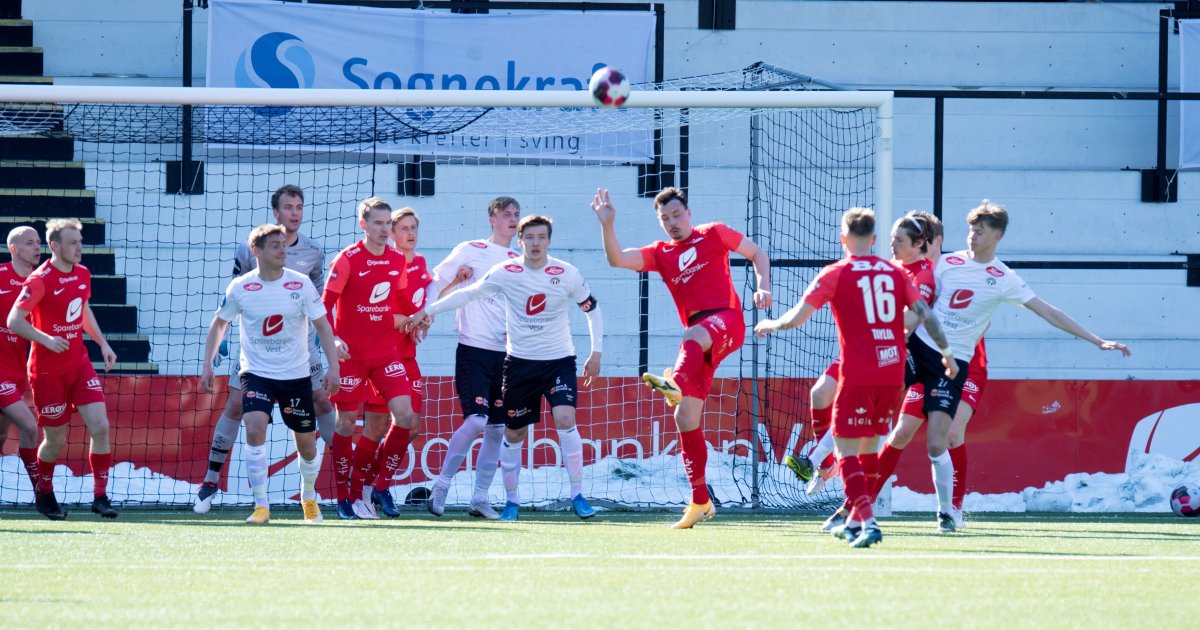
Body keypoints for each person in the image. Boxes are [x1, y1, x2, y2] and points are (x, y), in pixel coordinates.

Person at [903, 200, 1131, 533]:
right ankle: (840, 477)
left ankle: (949, 511)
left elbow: (1049, 312)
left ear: (996, 236)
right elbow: (912, 283)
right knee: (875, 400)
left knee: (941, 441)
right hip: (918, 347)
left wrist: (1096, 340)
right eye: (970, 230)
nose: (972, 237)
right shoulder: (946, 263)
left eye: (979, 232)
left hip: (953, 365)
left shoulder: (1005, 278)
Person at [755, 207, 956, 548]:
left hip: (859, 371)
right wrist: (947, 354)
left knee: (848, 453)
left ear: (843, 238)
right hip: (892, 374)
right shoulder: (895, 274)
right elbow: (926, 316)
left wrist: (770, 324)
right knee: (868, 450)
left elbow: (796, 318)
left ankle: (867, 520)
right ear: (875, 239)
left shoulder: (836, 273)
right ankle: (851, 520)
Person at [590, 186, 771, 529]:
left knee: (692, 337)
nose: (672, 223)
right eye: (664, 219)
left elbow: (757, 253)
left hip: (726, 321)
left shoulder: (714, 233)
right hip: (699, 341)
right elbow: (617, 259)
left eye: (676, 215)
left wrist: (763, 285)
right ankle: (700, 500)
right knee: (685, 417)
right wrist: (607, 225)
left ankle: (675, 381)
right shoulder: (660, 253)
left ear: (689, 213)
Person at [411, 214, 603, 522]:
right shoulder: (506, 271)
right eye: (530, 237)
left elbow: (592, 309)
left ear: (549, 241)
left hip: (559, 361)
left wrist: (596, 352)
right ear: (521, 241)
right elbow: (469, 293)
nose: (536, 243)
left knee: (564, 417)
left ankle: (577, 494)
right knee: (511, 434)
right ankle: (509, 501)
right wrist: (429, 310)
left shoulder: (567, 273)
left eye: (541, 237)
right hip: (517, 363)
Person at [195, 184, 337, 514]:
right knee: (236, 406)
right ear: (276, 212)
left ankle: (346, 479)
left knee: (319, 401)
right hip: (255, 350)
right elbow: (236, 296)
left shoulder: (313, 252)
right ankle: (211, 480)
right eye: (288, 207)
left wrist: (327, 346)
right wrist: (221, 342)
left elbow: (319, 302)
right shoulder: (251, 249)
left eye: (299, 207)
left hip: (300, 348)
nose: (295, 213)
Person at [787, 212, 942, 503]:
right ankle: (825, 464)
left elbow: (911, 320)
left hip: (890, 357)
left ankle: (831, 477)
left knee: (856, 420)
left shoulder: (924, 275)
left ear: (919, 243)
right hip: (860, 350)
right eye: (891, 237)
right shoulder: (887, 268)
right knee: (820, 395)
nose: (891, 244)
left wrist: (875, 319)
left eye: (899, 239)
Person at [7, 219, 119, 520]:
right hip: (46, 371)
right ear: (55, 246)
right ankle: (44, 494)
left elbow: (81, 309)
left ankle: (100, 497)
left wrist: (102, 344)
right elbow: (14, 321)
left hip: (79, 363)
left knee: (101, 427)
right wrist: (46, 339)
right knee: (55, 441)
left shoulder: (83, 273)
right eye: (72, 242)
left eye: (80, 241)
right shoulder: (39, 279)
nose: (79, 247)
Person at [424, 197, 521, 520]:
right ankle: (442, 485)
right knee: (477, 420)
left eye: (516, 215)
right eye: (506, 214)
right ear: (492, 218)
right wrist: (426, 312)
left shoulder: (518, 260)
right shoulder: (472, 249)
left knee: (497, 428)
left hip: (505, 356)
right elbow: (436, 281)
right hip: (472, 349)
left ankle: (480, 498)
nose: (513, 219)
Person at [322, 197, 414, 520]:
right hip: (350, 356)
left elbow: (397, 300)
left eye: (387, 223)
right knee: (346, 423)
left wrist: (414, 318)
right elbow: (324, 307)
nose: (384, 229)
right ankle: (345, 497)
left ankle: (376, 486)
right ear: (363, 225)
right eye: (377, 223)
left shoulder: (396, 259)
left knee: (405, 416)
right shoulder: (346, 259)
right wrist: (333, 339)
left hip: (385, 353)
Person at [354, 207, 435, 518]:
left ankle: (380, 485)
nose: (409, 233)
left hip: (407, 356)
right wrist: (401, 320)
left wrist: (424, 319)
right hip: (382, 355)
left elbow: (423, 301)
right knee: (375, 426)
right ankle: (361, 487)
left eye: (413, 227)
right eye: (403, 228)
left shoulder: (421, 263)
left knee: (411, 425)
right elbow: (369, 310)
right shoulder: (381, 262)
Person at [0, 227, 43, 501]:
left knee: (0, 435)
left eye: (39, 242)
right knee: (29, 427)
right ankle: (42, 491)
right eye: (29, 243)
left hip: (18, 371)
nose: (37, 247)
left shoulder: (42, 282)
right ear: (13, 249)